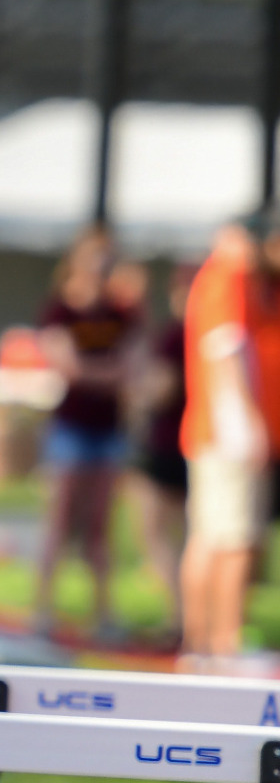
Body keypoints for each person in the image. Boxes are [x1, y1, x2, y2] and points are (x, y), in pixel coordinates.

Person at [180, 216, 280, 667]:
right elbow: (225, 353)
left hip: (222, 432)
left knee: (217, 536)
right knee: (232, 541)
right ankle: (220, 642)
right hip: (227, 434)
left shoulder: (233, 280)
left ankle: (207, 644)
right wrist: (248, 428)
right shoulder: (226, 278)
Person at [32, 226, 139, 641]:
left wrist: (93, 372)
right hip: (72, 427)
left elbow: (130, 366)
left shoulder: (120, 314)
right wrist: (104, 373)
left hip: (107, 428)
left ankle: (103, 613)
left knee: (99, 526)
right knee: (60, 519)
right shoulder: (60, 310)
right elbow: (67, 366)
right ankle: (43, 609)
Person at [130, 265, 191, 639]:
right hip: (192, 444)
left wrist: (138, 395)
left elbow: (164, 389)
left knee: (155, 533)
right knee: (185, 535)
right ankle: (188, 618)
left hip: (168, 442)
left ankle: (180, 615)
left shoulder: (175, 335)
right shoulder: (207, 331)